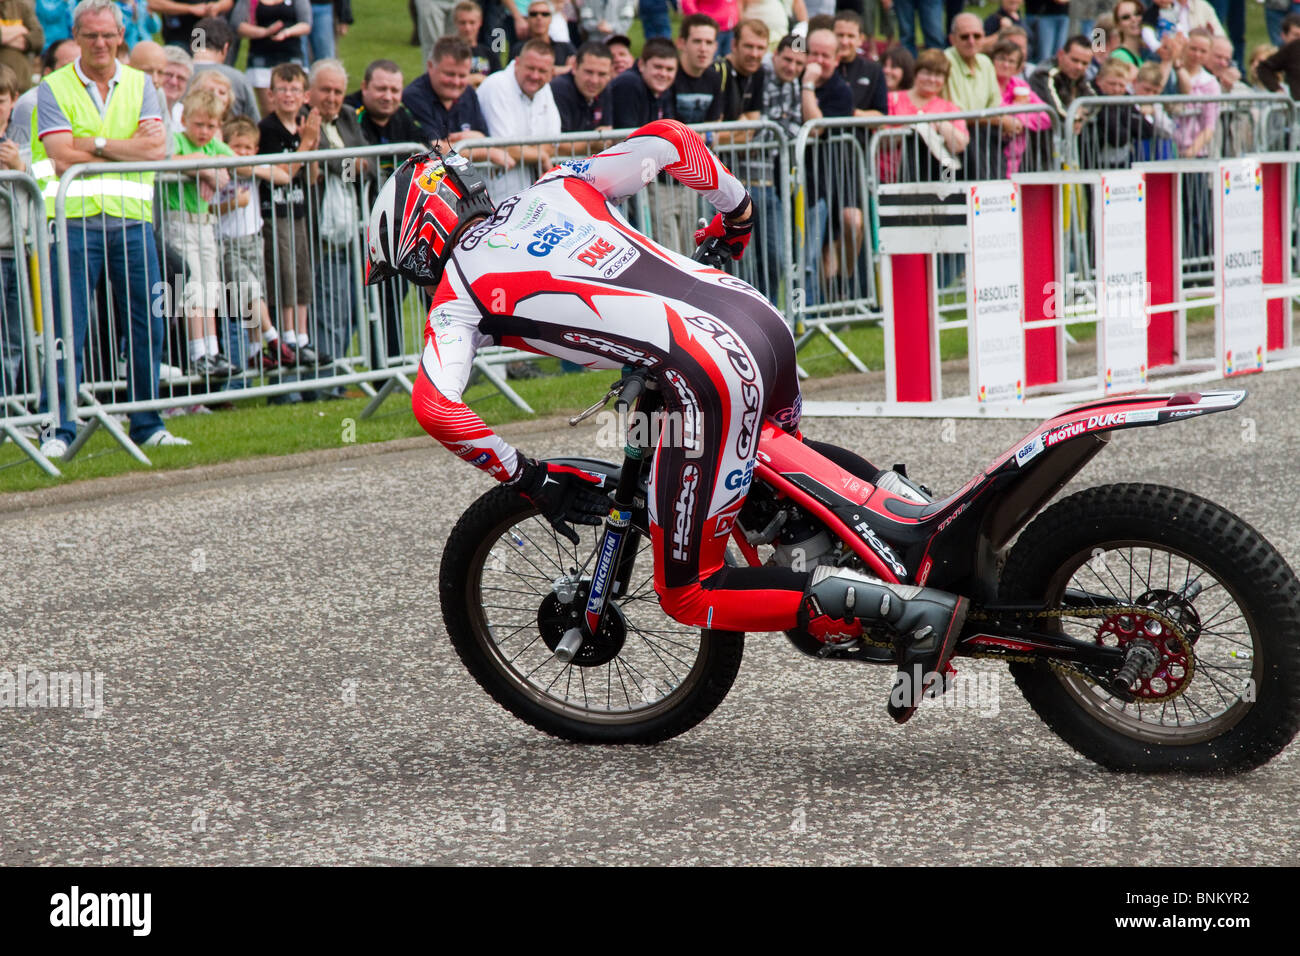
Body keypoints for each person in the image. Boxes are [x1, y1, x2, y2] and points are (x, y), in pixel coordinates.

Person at [367, 121, 970, 723]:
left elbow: (434, 406)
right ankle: (916, 527)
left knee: (690, 591)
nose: (418, 283)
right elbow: (670, 139)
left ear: (417, 238)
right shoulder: (555, 186)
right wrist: (736, 212)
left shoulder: (458, 294)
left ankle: (909, 614)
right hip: (759, 323)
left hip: (705, 373)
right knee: (781, 474)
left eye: (408, 271)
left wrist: (530, 479)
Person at [33, 0, 189, 457]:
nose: (100, 43)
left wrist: (95, 143)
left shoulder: (142, 84)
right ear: (76, 36)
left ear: (122, 36)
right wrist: (123, 147)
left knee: (147, 324)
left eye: (108, 35)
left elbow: (154, 150)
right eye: (91, 35)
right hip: (75, 222)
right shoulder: (53, 86)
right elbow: (60, 156)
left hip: (133, 223)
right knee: (68, 329)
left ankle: (147, 423)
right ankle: (57, 428)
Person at [162, 88, 237, 378]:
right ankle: (198, 352)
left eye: (211, 126)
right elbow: (168, 159)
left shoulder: (213, 146)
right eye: (199, 124)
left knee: (210, 286)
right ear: (185, 121)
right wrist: (203, 168)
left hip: (205, 224)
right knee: (192, 287)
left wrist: (212, 168)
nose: (204, 132)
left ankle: (212, 350)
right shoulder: (179, 141)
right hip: (180, 221)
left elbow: (233, 163)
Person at [258, 61, 328, 367]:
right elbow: (282, 174)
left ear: (306, 96)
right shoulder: (267, 129)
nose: (288, 95)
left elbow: (310, 177)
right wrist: (305, 144)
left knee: (301, 271)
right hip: (275, 210)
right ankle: (287, 337)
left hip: (298, 208)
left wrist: (311, 146)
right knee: (284, 272)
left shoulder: (303, 127)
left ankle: (302, 337)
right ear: (271, 94)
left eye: (295, 89)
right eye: (282, 89)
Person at [212, 115, 295, 371]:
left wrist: (252, 167)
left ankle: (256, 350)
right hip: (227, 243)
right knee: (250, 291)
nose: (243, 152)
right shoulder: (218, 172)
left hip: (253, 240)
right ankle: (274, 338)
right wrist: (233, 203)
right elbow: (210, 209)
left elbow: (283, 177)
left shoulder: (253, 167)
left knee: (255, 297)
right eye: (237, 147)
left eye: (248, 148)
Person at [305, 57, 364, 368]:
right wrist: (349, 165)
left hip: (349, 231)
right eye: (325, 90)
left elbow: (369, 164)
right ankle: (325, 381)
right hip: (315, 231)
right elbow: (323, 157)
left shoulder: (349, 116)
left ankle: (336, 375)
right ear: (309, 91)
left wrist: (346, 165)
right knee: (324, 312)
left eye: (338, 92)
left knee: (350, 310)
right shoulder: (303, 118)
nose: (332, 98)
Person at [476, 37, 559, 201]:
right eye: (530, 68)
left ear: (551, 73)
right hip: (493, 195)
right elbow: (505, 145)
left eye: (542, 71)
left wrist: (528, 151)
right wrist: (541, 156)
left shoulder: (544, 88)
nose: (535, 76)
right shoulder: (497, 84)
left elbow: (553, 143)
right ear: (517, 63)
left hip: (529, 195)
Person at [884, 46, 968, 182]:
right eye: (927, 73)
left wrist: (940, 124)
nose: (932, 79)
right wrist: (913, 128)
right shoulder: (892, 100)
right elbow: (880, 138)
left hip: (934, 180)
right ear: (916, 73)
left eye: (938, 75)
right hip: (889, 180)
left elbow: (960, 144)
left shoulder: (949, 108)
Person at [943, 12, 1009, 179]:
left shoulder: (985, 62)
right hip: (956, 141)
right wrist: (996, 119)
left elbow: (995, 104)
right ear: (952, 39)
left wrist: (996, 119)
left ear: (984, 37)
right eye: (964, 36)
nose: (971, 41)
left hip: (985, 136)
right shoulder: (945, 61)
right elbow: (958, 113)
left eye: (977, 36)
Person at [232, 0, 311, 115]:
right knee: (269, 108)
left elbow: (306, 24)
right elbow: (238, 25)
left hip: (291, 56)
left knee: (294, 108)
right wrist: (265, 32)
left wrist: (287, 32)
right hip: (261, 58)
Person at [991, 39, 1050, 173]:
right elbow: (989, 111)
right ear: (992, 61)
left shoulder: (1020, 86)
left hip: (1016, 157)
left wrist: (1019, 120)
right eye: (1001, 59)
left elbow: (1046, 116)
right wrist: (1016, 107)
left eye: (1011, 61)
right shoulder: (988, 84)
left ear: (1018, 67)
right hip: (991, 152)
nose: (1006, 65)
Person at [189, 15, 259, 121]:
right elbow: (253, 122)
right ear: (225, 48)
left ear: (193, 46)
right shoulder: (238, 79)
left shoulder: (175, 74)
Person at [1028, 33, 1096, 123]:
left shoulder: (1079, 75)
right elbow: (1055, 111)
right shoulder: (1043, 74)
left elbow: (1094, 101)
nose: (1079, 67)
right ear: (1061, 54)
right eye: (1074, 60)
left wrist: (1082, 110)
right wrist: (1076, 118)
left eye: (1084, 63)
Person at [550, 38, 614, 132]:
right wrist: (596, 138)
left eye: (602, 74)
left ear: (610, 74)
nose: (594, 81)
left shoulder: (605, 89)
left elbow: (607, 132)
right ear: (574, 67)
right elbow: (560, 140)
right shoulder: (559, 89)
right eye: (589, 72)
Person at [673, 13, 723, 124]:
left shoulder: (714, 77)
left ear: (715, 47)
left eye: (709, 42)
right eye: (697, 41)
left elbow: (713, 123)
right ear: (681, 43)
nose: (703, 49)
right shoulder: (668, 74)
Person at [834, 10, 886, 114]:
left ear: (861, 39)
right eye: (840, 35)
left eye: (850, 36)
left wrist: (853, 114)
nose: (844, 42)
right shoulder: (822, 66)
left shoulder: (874, 70)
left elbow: (881, 114)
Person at [509, 0, 572, 72]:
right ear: (527, 19)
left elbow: (577, 69)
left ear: (551, 18)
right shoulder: (519, 48)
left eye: (545, 14)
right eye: (533, 14)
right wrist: (562, 70)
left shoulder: (564, 47)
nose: (539, 18)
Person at [452, 1, 498, 88]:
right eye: (463, 23)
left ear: (480, 22)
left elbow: (498, 82)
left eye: (472, 22)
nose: (467, 28)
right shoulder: (448, 53)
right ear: (455, 23)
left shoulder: (489, 54)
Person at [0, 0, 42, 93]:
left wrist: (5, 35)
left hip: (21, 81)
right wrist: (20, 29)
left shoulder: (21, 6)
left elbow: (38, 38)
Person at [1255, 13, 1300, 98]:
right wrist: (1278, 91)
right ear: (1284, 35)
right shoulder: (1293, 49)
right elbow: (1264, 68)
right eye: (1296, 35)